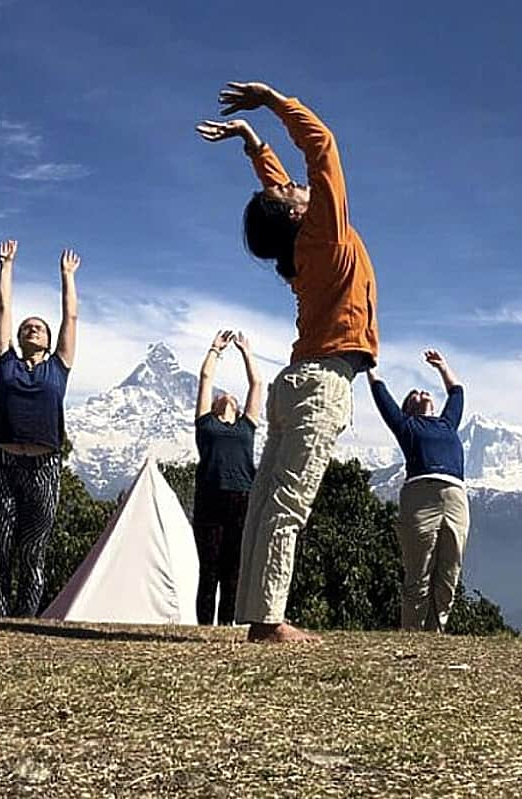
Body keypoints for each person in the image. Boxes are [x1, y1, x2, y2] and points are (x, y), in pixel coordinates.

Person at [197, 80, 379, 643]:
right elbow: (322, 147)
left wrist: (254, 143)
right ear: (299, 214)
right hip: (322, 382)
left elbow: (280, 189)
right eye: (295, 193)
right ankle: (269, 621)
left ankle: (258, 617)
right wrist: (274, 102)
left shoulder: (302, 242)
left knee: (266, 504)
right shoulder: (324, 237)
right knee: (287, 504)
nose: (300, 187)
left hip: (296, 382)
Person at [0, 239, 80, 617]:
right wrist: (5, 266)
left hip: (44, 467)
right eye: (27, 327)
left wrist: (67, 278)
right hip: (2, 463)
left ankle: (26, 619)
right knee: (0, 544)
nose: (32, 329)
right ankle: (0, 617)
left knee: (33, 549)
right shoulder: (5, 362)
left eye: (39, 327)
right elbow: (3, 308)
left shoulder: (59, 366)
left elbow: (69, 318)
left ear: (50, 339)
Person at [367, 349, 469, 632]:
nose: (420, 392)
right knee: (419, 572)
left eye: (423, 392)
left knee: (449, 570)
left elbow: (457, 393)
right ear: (408, 409)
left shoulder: (448, 423)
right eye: (413, 394)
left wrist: (443, 367)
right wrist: (371, 368)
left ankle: (436, 632)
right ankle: (412, 632)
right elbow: (382, 398)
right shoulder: (406, 426)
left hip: (455, 496)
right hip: (419, 497)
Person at [192, 329, 262, 625]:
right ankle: (205, 626)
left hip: (242, 497)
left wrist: (247, 352)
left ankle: (228, 625)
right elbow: (205, 378)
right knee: (209, 568)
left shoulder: (247, 425)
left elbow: (257, 383)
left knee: (234, 568)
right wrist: (215, 349)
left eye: (230, 396)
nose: (225, 395)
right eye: (221, 396)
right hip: (210, 495)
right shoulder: (205, 423)